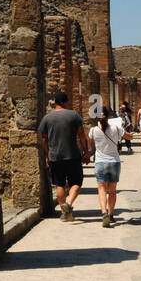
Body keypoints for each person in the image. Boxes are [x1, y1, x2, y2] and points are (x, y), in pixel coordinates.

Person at [39, 90, 89, 222]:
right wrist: (86, 151)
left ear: (55, 102)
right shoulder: (74, 115)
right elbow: (82, 135)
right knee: (76, 182)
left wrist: (47, 154)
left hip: (55, 156)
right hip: (72, 155)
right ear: (65, 102)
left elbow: (44, 139)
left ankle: (63, 212)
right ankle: (69, 204)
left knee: (59, 184)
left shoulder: (47, 118)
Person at [90, 105, 123, 227]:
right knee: (112, 191)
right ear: (108, 115)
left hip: (100, 163)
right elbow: (126, 137)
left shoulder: (93, 131)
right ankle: (111, 214)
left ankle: (104, 212)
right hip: (114, 162)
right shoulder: (116, 128)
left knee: (102, 189)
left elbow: (92, 144)